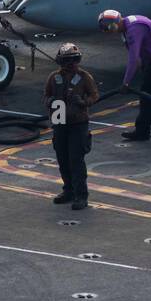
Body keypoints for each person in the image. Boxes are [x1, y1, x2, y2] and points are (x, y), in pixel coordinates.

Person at [98, 10, 151, 147]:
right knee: (147, 95)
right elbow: (139, 54)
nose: (108, 33)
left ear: (114, 24)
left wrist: (126, 82)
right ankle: (142, 131)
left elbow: (134, 59)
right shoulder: (124, 28)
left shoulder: (134, 29)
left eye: (107, 29)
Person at [43, 42, 99, 210]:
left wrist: (84, 102)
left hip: (78, 123)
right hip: (59, 121)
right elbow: (46, 95)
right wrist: (49, 101)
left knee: (76, 160)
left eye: (74, 60)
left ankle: (81, 195)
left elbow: (95, 95)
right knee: (62, 159)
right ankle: (68, 191)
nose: (71, 64)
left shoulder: (84, 77)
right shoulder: (54, 77)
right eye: (67, 61)